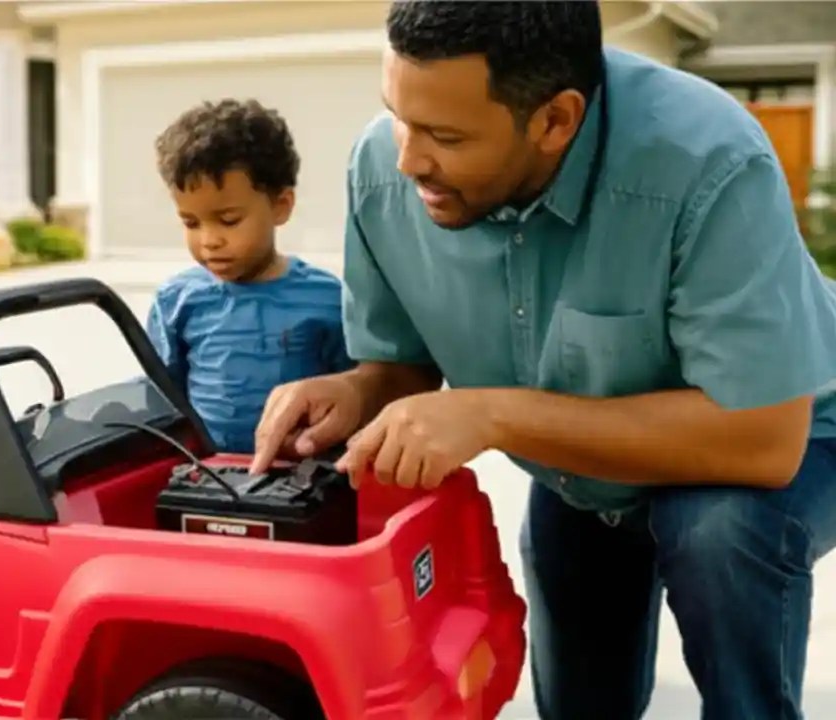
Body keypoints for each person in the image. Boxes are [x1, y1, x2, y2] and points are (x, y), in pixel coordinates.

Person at [249, 1, 836, 718]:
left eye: (445, 135)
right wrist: (356, 389)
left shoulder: (708, 162)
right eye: (398, 115)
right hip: (582, 467)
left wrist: (493, 413)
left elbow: (762, 439)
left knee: (715, 532)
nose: (407, 159)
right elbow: (403, 368)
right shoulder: (383, 168)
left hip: (792, 430)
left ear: (556, 121)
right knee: (580, 703)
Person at [144, 98, 354, 454]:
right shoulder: (176, 301)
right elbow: (161, 401)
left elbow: (357, 395)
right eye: (191, 223)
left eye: (228, 220)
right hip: (208, 481)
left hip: (305, 483)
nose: (209, 240)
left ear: (280, 206)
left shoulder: (326, 298)